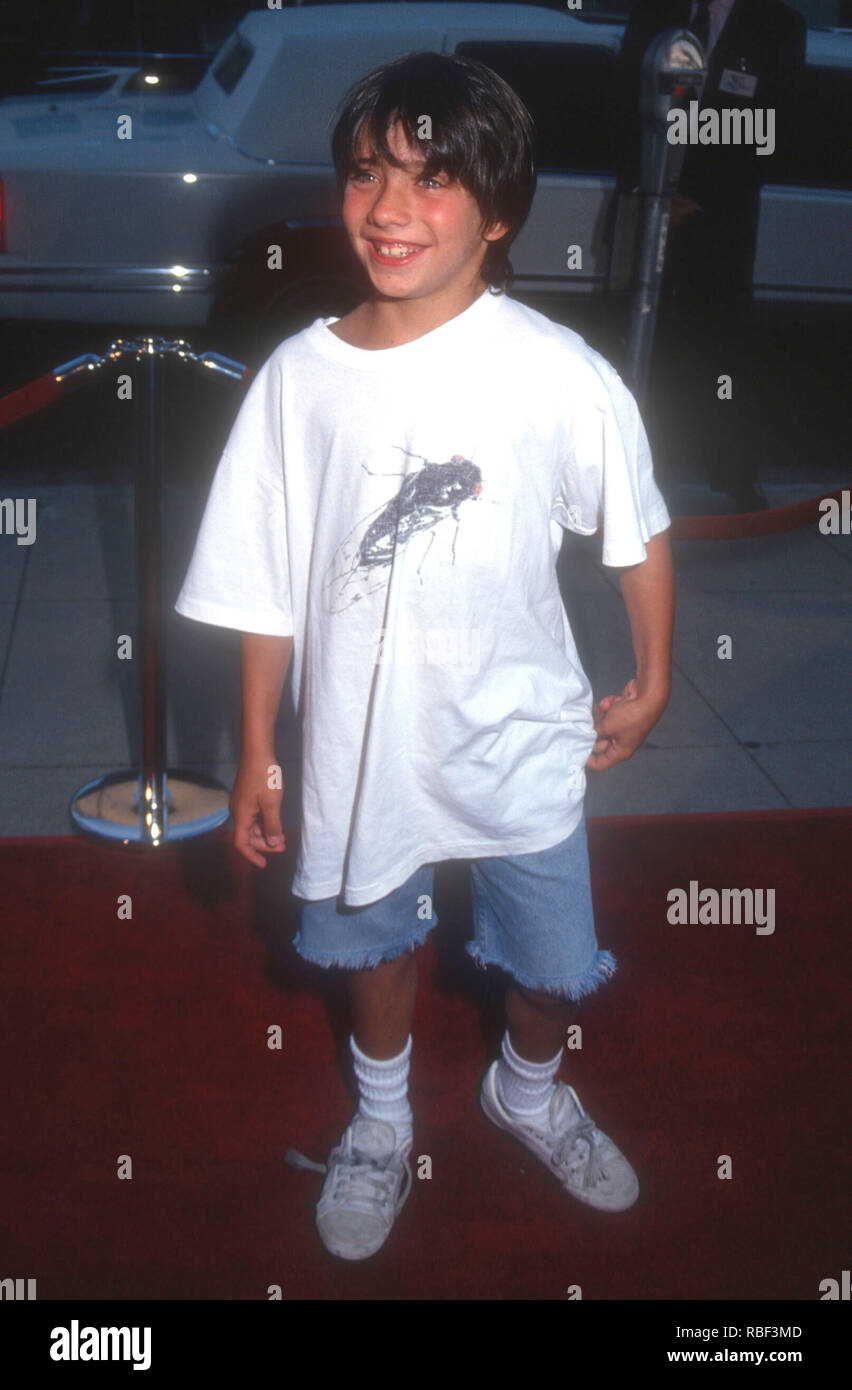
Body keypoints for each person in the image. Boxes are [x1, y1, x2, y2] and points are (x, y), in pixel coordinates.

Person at [174, 52, 675, 1262]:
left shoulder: (556, 370)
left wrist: (654, 675)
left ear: (499, 212)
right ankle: (384, 1118)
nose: (389, 210)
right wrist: (256, 748)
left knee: (555, 963)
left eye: (432, 179)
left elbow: (637, 525)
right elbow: (260, 585)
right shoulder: (297, 381)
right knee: (375, 942)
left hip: (520, 737)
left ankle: (528, 1086)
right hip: (360, 750)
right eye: (366, 174)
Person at [613, 0, 806, 511]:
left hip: (721, 221)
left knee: (720, 347)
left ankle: (734, 477)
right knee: (634, 344)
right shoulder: (656, 12)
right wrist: (650, 188)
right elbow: (622, 102)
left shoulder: (777, 24)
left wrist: (701, 199)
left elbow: (776, 127)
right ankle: (623, 472)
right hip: (648, 207)